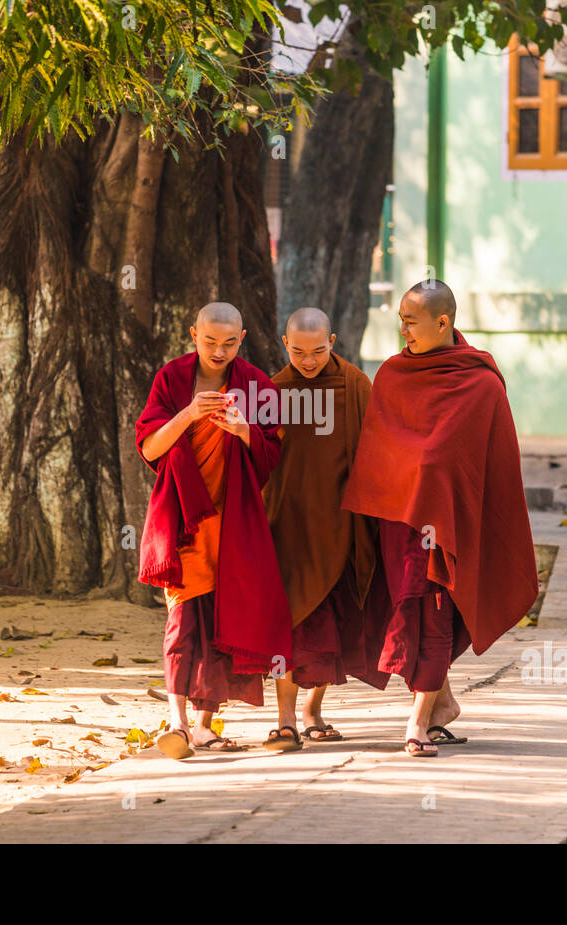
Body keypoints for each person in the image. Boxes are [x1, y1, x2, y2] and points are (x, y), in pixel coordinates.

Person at [342, 280, 539, 757]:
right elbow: (380, 450)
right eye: (401, 321)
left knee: (430, 611)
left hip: (447, 524)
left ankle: (415, 723)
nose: (403, 330)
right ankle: (442, 703)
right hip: (398, 518)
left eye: (411, 322)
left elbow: (488, 467)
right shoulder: (392, 374)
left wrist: (434, 479)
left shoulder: (480, 381)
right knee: (407, 608)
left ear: (443, 322)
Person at [135, 301, 293, 759]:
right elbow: (150, 447)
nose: (218, 351)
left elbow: (270, 458)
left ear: (241, 339)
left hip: (235, 522)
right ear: (193, 335)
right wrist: (187, 415)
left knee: (225, 620)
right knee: (183, 620)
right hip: (184, 519)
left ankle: (203, 726)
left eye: (228, 342)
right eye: (209, 341)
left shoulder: (257, 385)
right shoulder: (171, 379)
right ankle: (176, 722)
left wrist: (244, 429)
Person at [261, 307, 388, 752]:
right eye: (298, 352)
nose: (308, 361)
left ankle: (313, 710)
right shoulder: (273, 391)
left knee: (332, 624)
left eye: (317, 351)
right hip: (288, 526)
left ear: (332, 341)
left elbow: (377, 451)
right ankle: (284, 720)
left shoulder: (355, 386)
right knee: (292, 622)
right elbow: (261, 462)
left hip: (341, 524)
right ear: (284, 343)